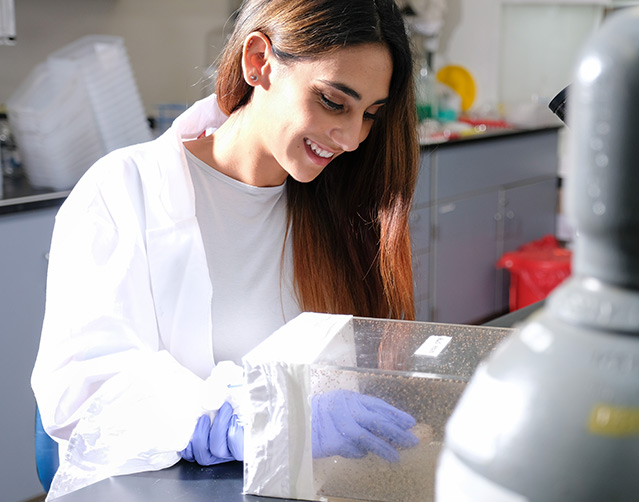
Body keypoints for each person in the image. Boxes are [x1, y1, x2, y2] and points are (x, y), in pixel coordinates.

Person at [30, 0, 420, 498]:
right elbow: (85, 390)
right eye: (332, 101)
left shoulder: (338, 209)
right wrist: (250, 415)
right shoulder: (124, 190)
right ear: (258, 62)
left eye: (369, 115)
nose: (349, 138)